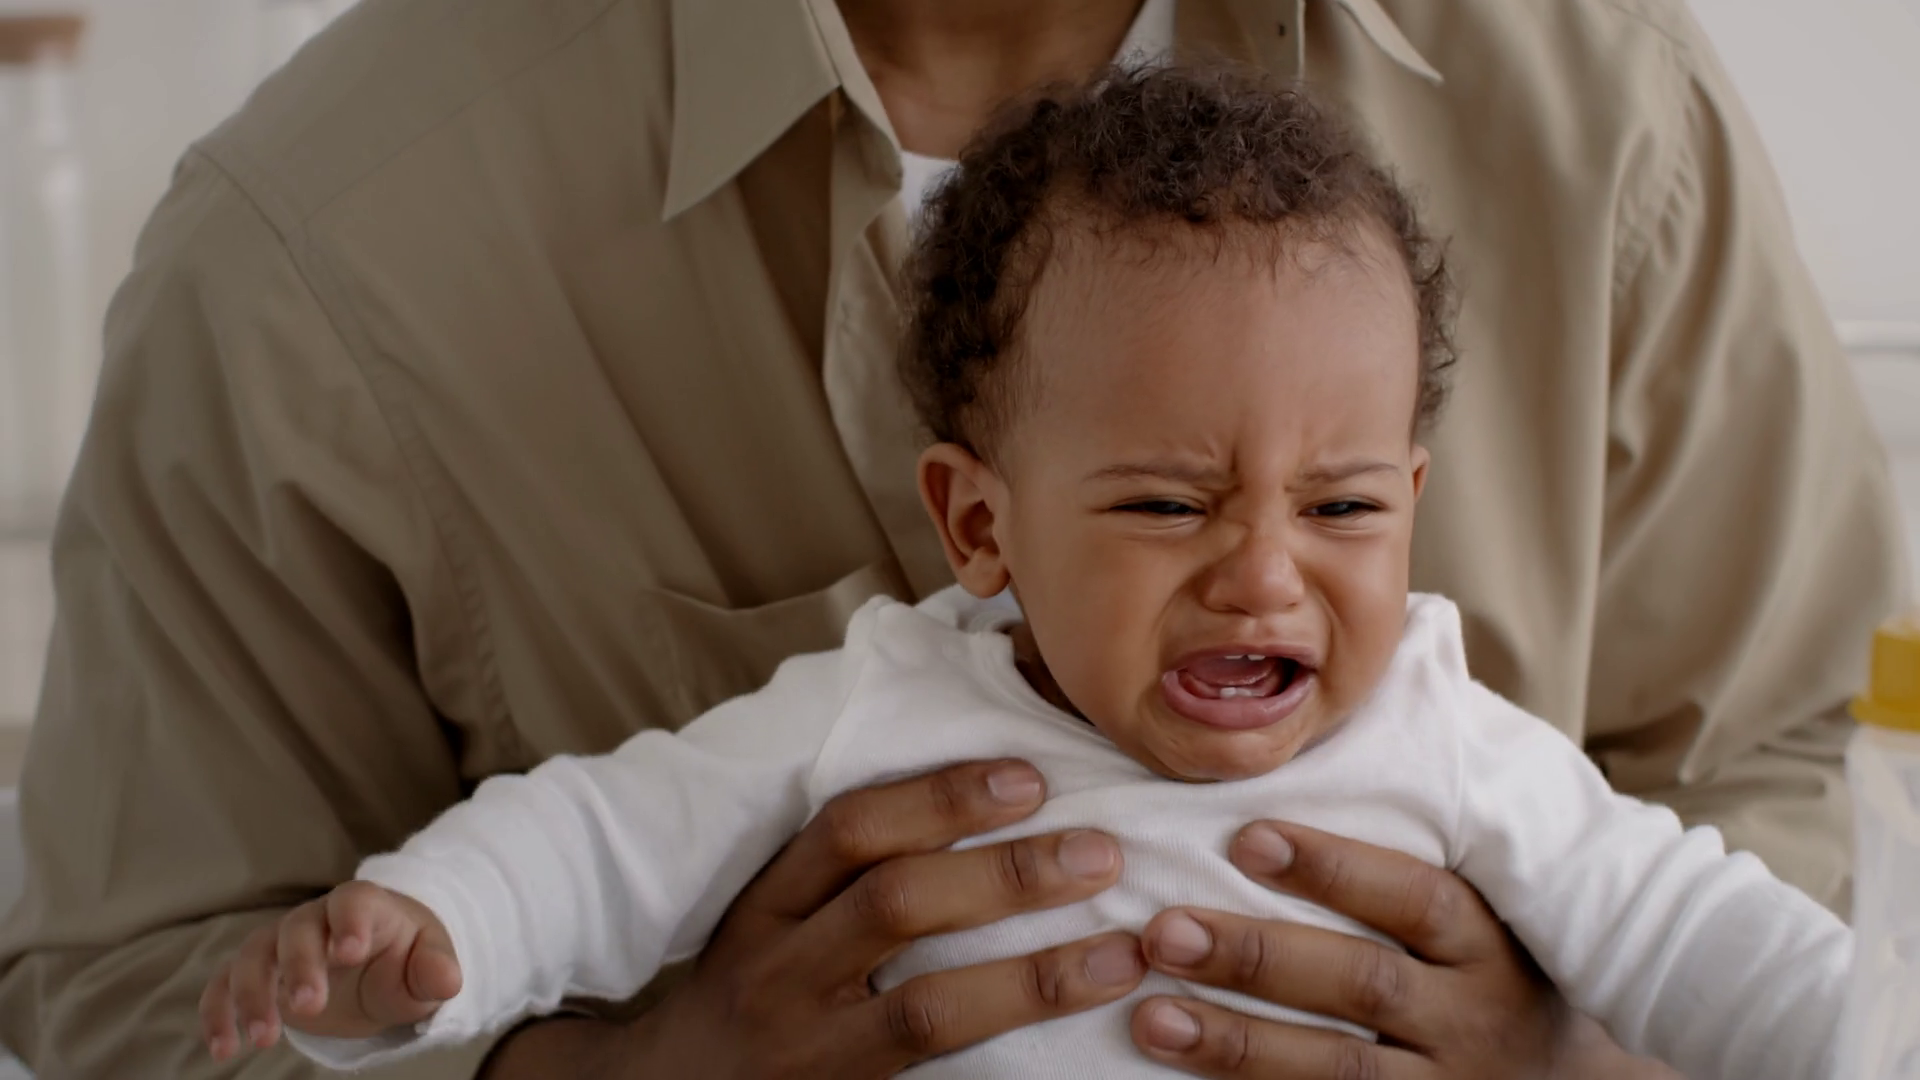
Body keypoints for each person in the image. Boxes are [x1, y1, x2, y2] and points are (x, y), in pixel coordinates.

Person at [0, 0, 1905, 1076]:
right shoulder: (319, 254)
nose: (1258, 573)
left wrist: (1592, 1076)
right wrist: (578, 1065)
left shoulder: (1447, 711)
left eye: (1337, 507)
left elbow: (1738, 851)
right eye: (1164, 506)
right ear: (970, 527)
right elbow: (558, 855)